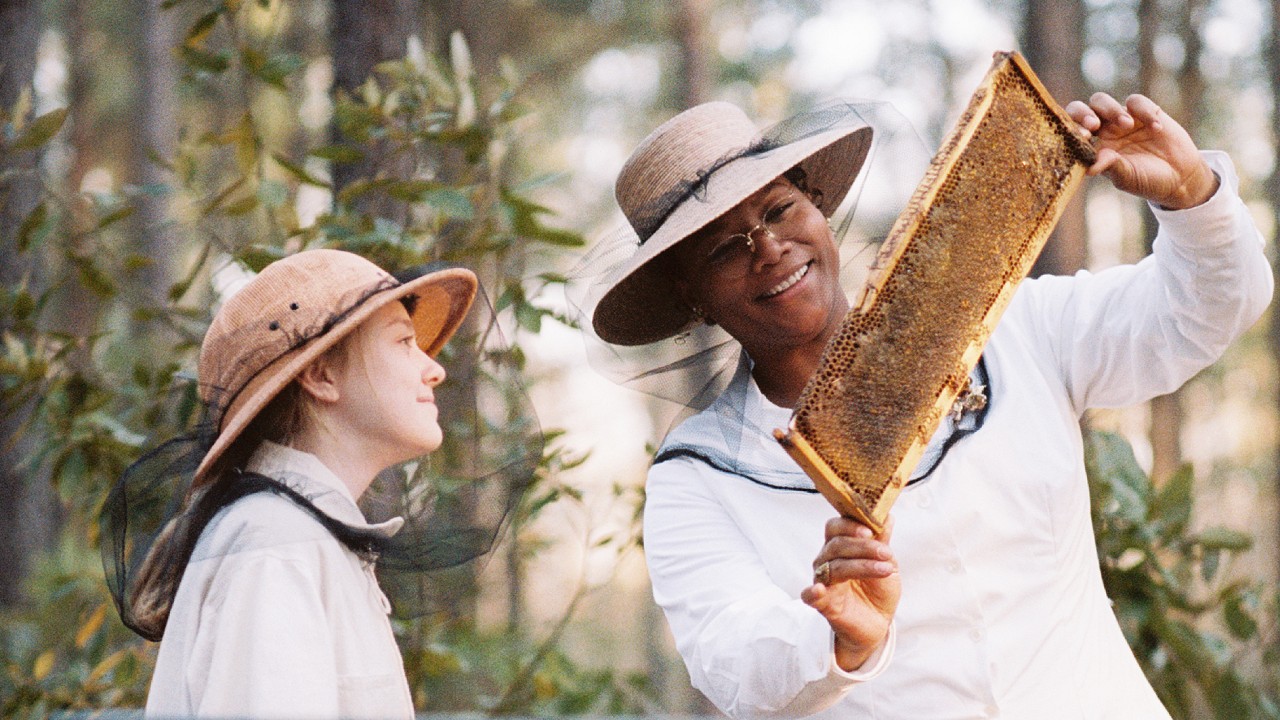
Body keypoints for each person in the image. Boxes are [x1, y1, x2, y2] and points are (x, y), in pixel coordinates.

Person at [578, 87, 1272, 718]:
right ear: (693, 299)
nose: (769, 247)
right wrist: (835, 636)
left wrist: (1192, 197)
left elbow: (1204, 311)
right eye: (724, 248)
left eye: (780, 209)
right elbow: (733, 664)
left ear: (818, 208)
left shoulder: (1006, 325)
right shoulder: (696, 480)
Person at [101, 249, 534, 718]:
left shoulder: (299, 539)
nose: (434, 368)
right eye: (403, 342)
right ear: (322, 375)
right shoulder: (275, 547)